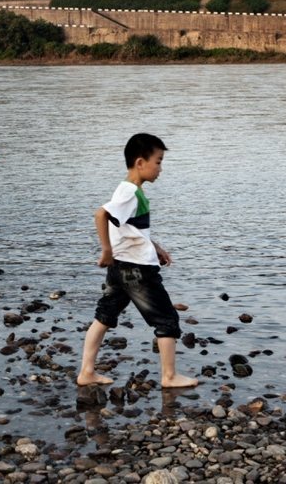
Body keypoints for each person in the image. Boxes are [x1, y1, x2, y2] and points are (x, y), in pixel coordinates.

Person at [77, 133, 198, 389]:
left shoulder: (130, 190)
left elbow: (129, 229)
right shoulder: (130, 191)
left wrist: (156, 247)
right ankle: (169, 377)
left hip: (121, 268)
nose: (160, 169)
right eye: (158, 162)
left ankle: (87, 371)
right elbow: (101, 215)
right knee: (166, 319)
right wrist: (106, 250)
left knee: (104, 316)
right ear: (140, 162)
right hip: (137, 270)